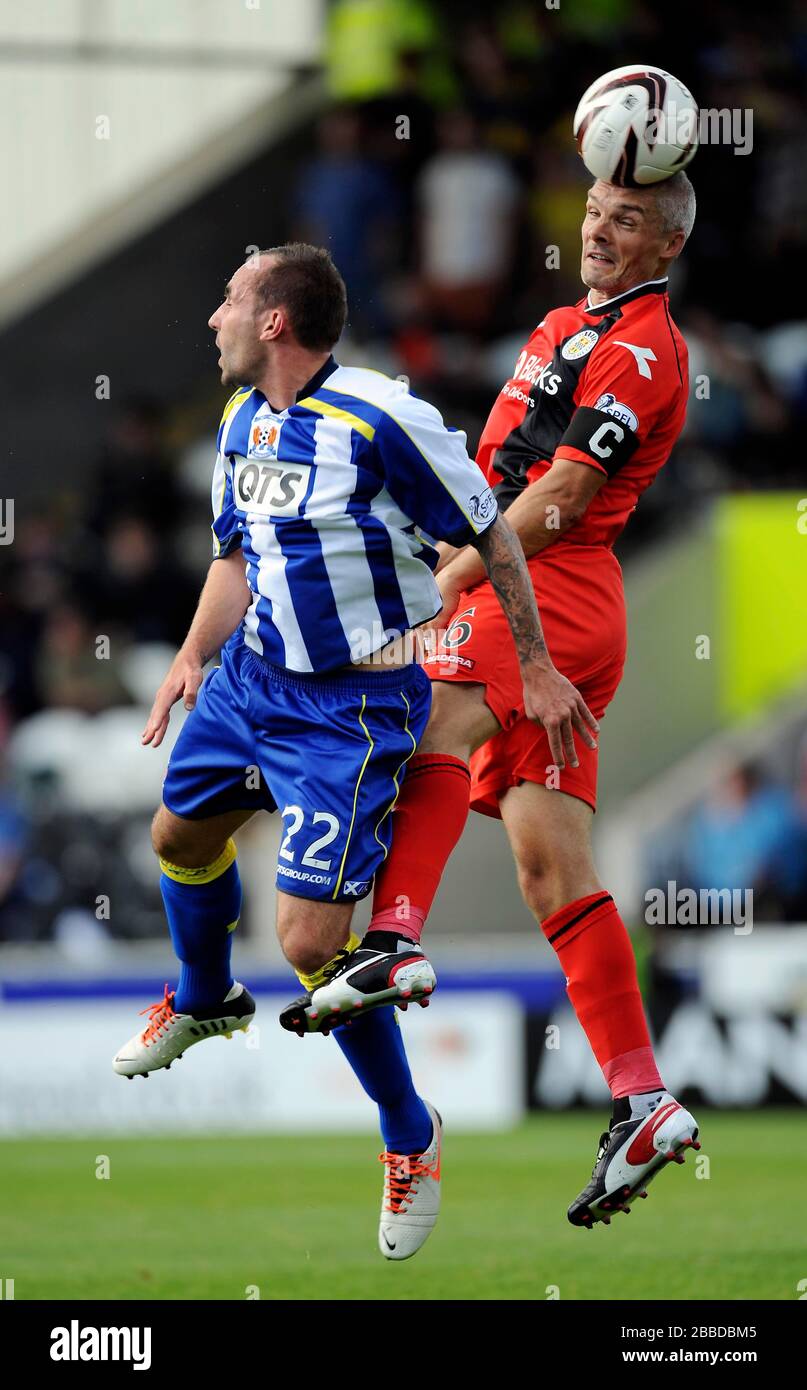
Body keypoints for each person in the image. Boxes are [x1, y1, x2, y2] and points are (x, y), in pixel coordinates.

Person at [112, 242, 595, 1260]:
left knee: (309, 945)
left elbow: (494, 533)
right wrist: (192, 656)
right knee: (179, 835)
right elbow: (235, 559)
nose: (214, 317)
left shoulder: (384, 419)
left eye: (232, 299)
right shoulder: (241, 421)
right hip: (250, 677)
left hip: (352, 707)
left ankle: (409, 1133)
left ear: (278, 320)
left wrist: (541, 665)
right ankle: (204, 1001)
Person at [299, 177, 703, 1228]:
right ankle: (641, 1095)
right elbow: (495, 471)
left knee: (432, 721)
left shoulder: (646, 348)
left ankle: (393, 931)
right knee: (549, 864)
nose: (599, 228)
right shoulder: (566, 323)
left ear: (669, 238)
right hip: (552, 590)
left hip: (551, 582)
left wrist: (451, 582)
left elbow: (561, 498)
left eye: (626, 218)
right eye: (595, 209)